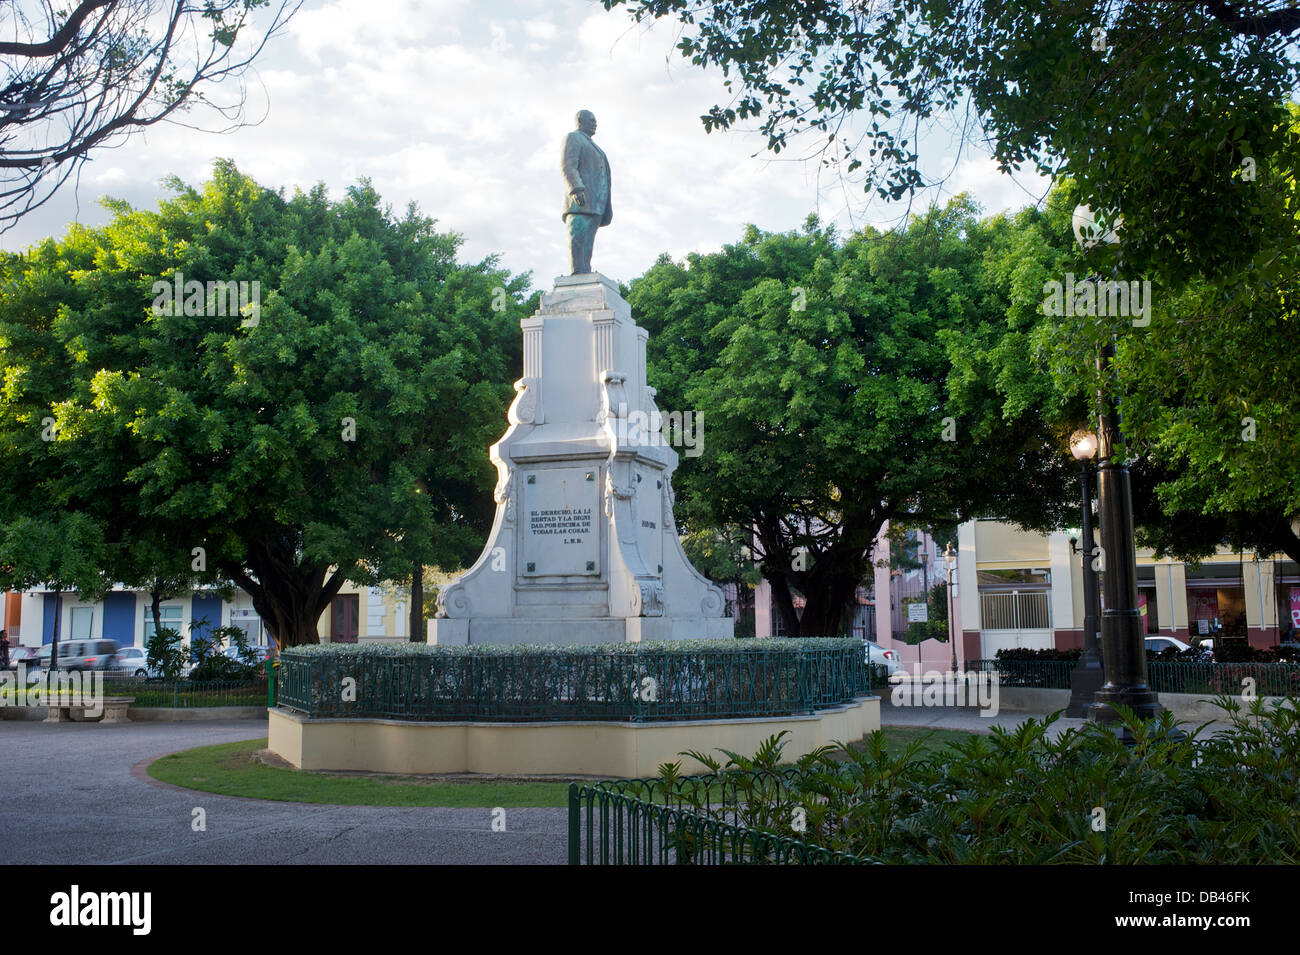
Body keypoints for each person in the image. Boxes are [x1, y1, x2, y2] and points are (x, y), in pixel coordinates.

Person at [561, 110, 612, 274]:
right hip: (580, 200)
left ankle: (584, 271)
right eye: (592, 120)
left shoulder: (596, 147)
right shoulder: (573, 138)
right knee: (577, 237)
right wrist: (576, 188)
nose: (595, 123)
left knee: (588, 242)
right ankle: (577, 272)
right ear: (580, 121)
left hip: (596, 203)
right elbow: (568, 165)